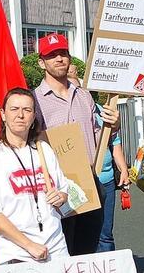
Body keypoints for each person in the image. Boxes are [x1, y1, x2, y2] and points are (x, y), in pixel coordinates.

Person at [32, 33, 120, 257]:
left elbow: (99, 137)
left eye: (63, 53)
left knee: (89, 252)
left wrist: (114, 127)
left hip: (90, 181)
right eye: (52, 55)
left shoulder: (84, 96)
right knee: (59, 254)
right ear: (42, 62)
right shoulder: (34, 101)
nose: (59, 59)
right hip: (54, 188)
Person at [0, 88, 72, 264]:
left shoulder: (44, 150)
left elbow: (64, 192)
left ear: (34, 116)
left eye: (27, 110)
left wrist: (60, 197)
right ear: (3, 114)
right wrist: (29, 245)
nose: (20, 115)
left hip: (56, 248)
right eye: (14, 109)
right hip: (16, 254)